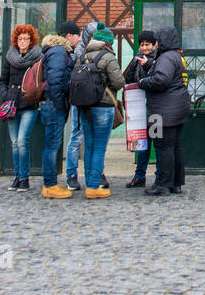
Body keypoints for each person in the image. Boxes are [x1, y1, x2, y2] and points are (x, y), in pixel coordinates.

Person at [74, 23, 125, 200]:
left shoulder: (81, 56)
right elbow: (118, 82)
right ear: (108, 42)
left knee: (89, 145)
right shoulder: (108, 57)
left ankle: (89, 182)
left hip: (85, 106)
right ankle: (94, 186)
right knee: (99, 148)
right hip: (103, 106)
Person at [138, 28, 190, 197]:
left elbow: (162, 79)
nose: (156, 43)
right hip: (176, 110)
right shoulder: (177, 56)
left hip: (161, 112)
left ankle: (162, 184)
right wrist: (149, 68)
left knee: (163, 147)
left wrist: (143, 82)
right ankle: (175, 183)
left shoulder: (166, 58)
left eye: (158, 40)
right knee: (174, 146)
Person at [64, 22, 109, 192]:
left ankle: (96, 173)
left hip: (94, 99)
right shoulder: (79, 52)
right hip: (81, 98)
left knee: (93, 140)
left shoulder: (97, 50)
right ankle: (71, 174)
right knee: (77, 135)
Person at [0, 24, 43, 191]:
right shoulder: (10, 57)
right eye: (20, 39)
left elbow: (41, 79)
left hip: (29, 103)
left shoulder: (37, 57)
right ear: (16, 40)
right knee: (14, 142)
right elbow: (3, 79)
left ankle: (24, 178)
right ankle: (17, 176)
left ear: (31, 41)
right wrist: (5, 95)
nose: (23, 41)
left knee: (22, 141)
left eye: (26, 38)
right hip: (11, 103)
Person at [38, 30, 75, 199]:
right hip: (54, 104)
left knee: (50, 144)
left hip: (50, 103)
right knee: (52, 145)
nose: (79, 39)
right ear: (67, 38)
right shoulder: (60, 52)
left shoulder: (51, 51)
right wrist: (61, 103)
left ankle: (49, 183)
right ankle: (50, 184)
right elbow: (55, 79)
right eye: (77, 36)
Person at [123, 30, 157, 188]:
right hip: (139, 106)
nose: (144, 47)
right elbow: (129, 79)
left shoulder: (159, 59)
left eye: (147, 44)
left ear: (154, 44)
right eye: (142, 44)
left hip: (155, 107)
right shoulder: (136, 59)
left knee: (157, 141)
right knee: (142, 142)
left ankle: (159, 175)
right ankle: (139, 175)